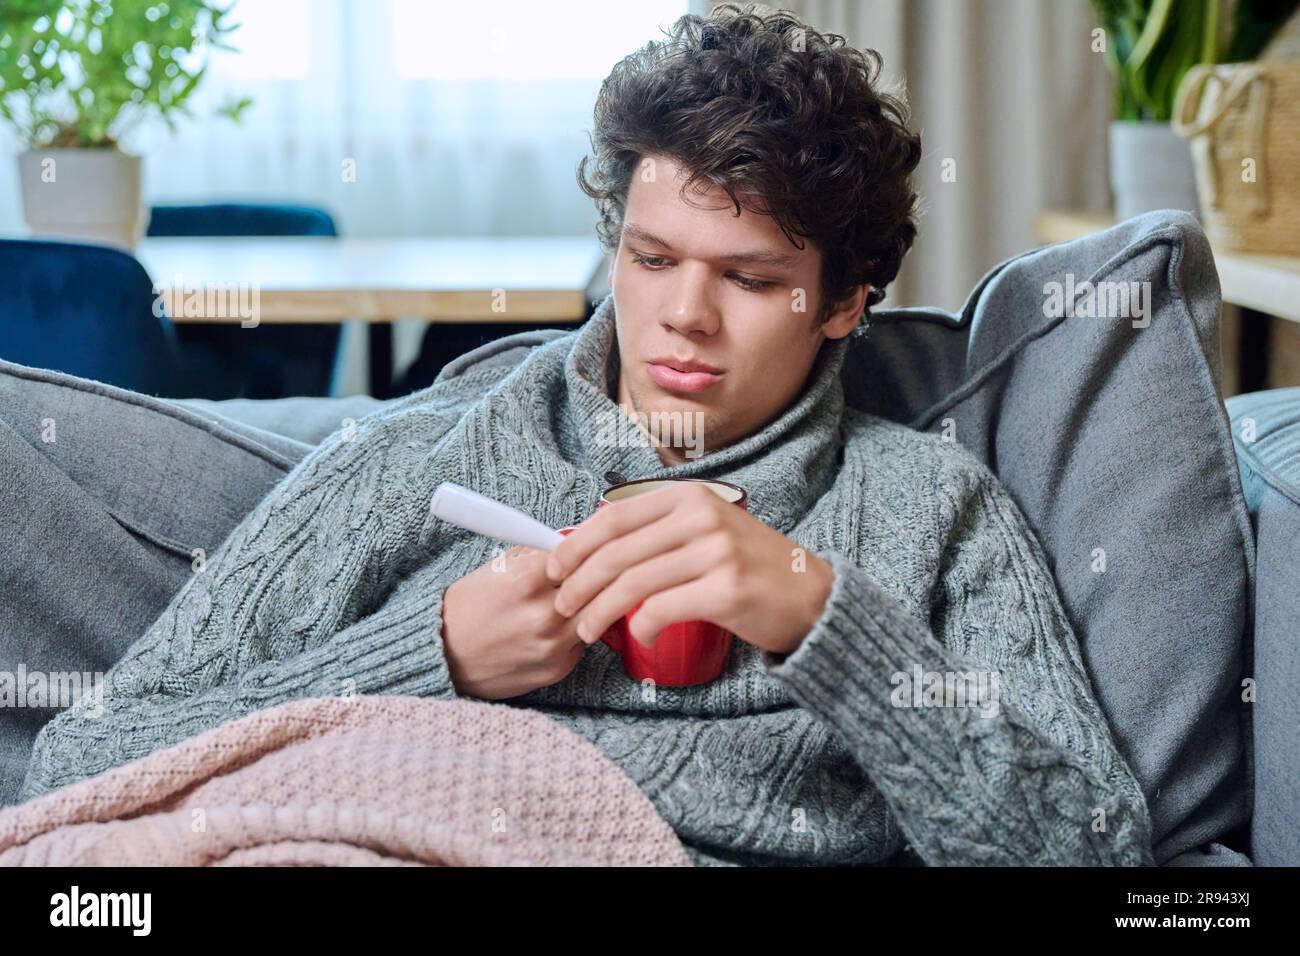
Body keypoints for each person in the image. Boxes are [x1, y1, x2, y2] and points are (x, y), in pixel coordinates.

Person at [9, 4, 1153, 866]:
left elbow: (1092, 848)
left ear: (847, 300)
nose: (684, 316)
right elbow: (86, 759)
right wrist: (430, 657)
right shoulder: (414, 460)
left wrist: (822, 616)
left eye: (751, 279)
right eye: (651, 259)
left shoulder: (928, 509)